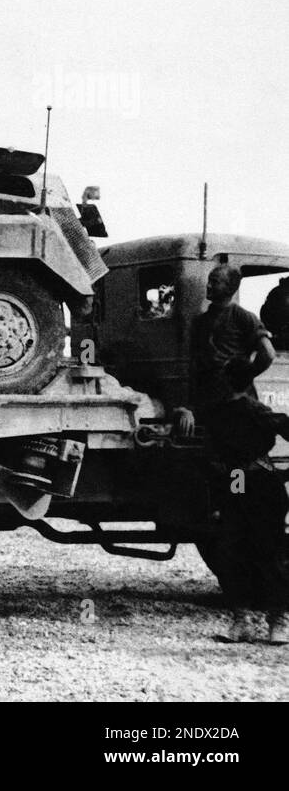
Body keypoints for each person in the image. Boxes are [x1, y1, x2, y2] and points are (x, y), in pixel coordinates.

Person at [173, 265, 289, 646]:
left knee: (261, 548)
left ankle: (276, 621)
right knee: (237, 545)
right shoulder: (222, 410)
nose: (210, 284)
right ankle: (248, 620)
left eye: (217, 280)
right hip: (247, 479)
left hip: (258, 481)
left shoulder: (249, 410)